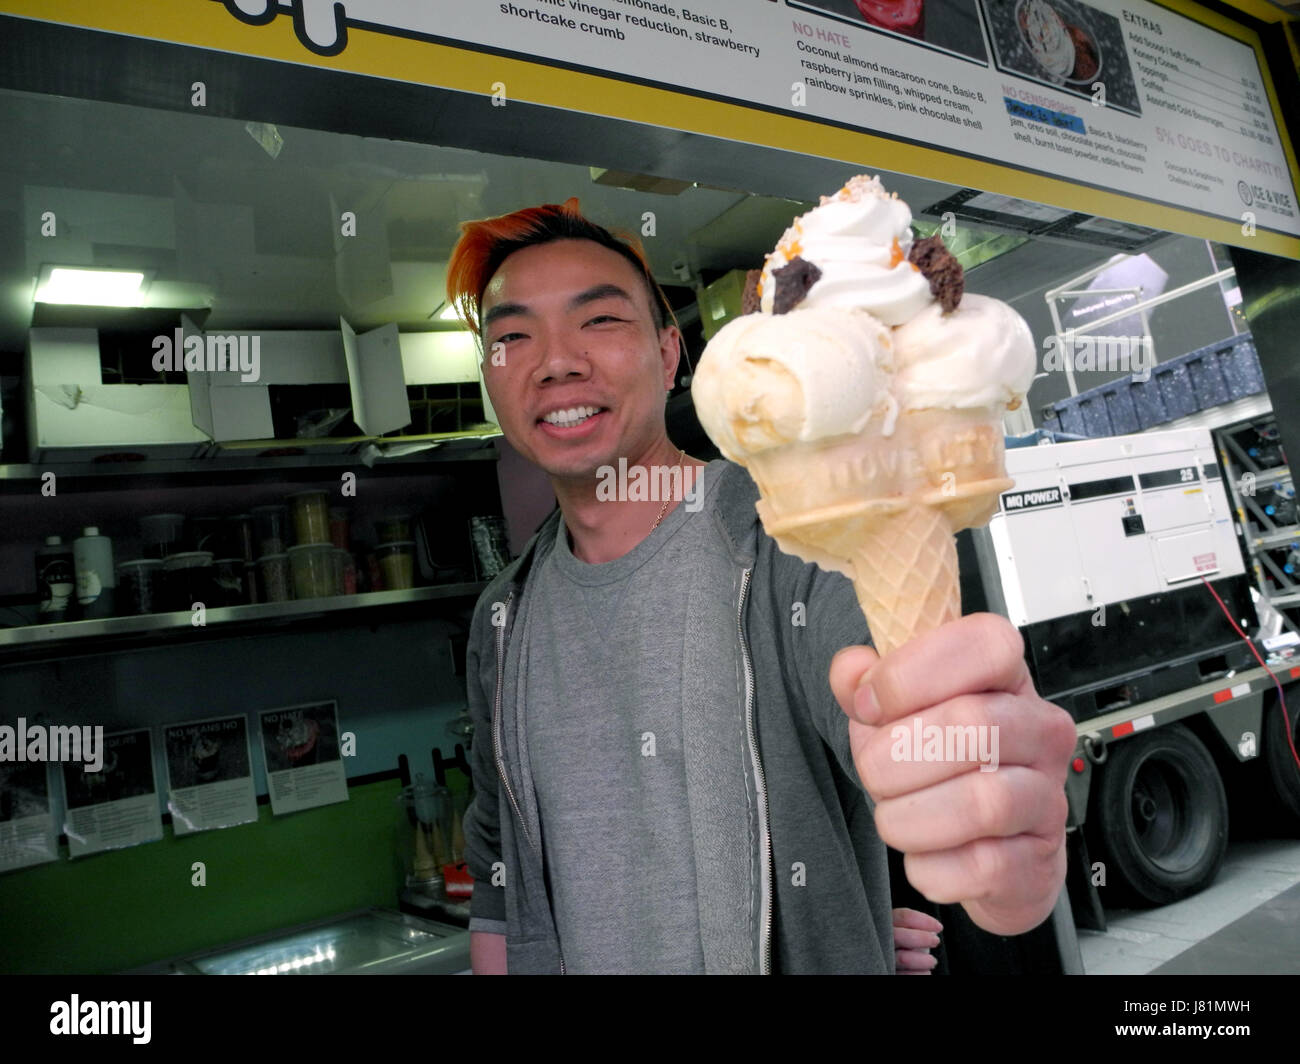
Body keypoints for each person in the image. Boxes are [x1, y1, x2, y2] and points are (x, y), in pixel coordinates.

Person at [447, 197, 1075, 974]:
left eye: (600, 321)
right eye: (512, 336)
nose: (556, 360)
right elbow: (499, 886)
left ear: (672, 353)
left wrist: (990, 819)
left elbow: (891, 714)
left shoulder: (796, 538)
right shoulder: (502, 618)